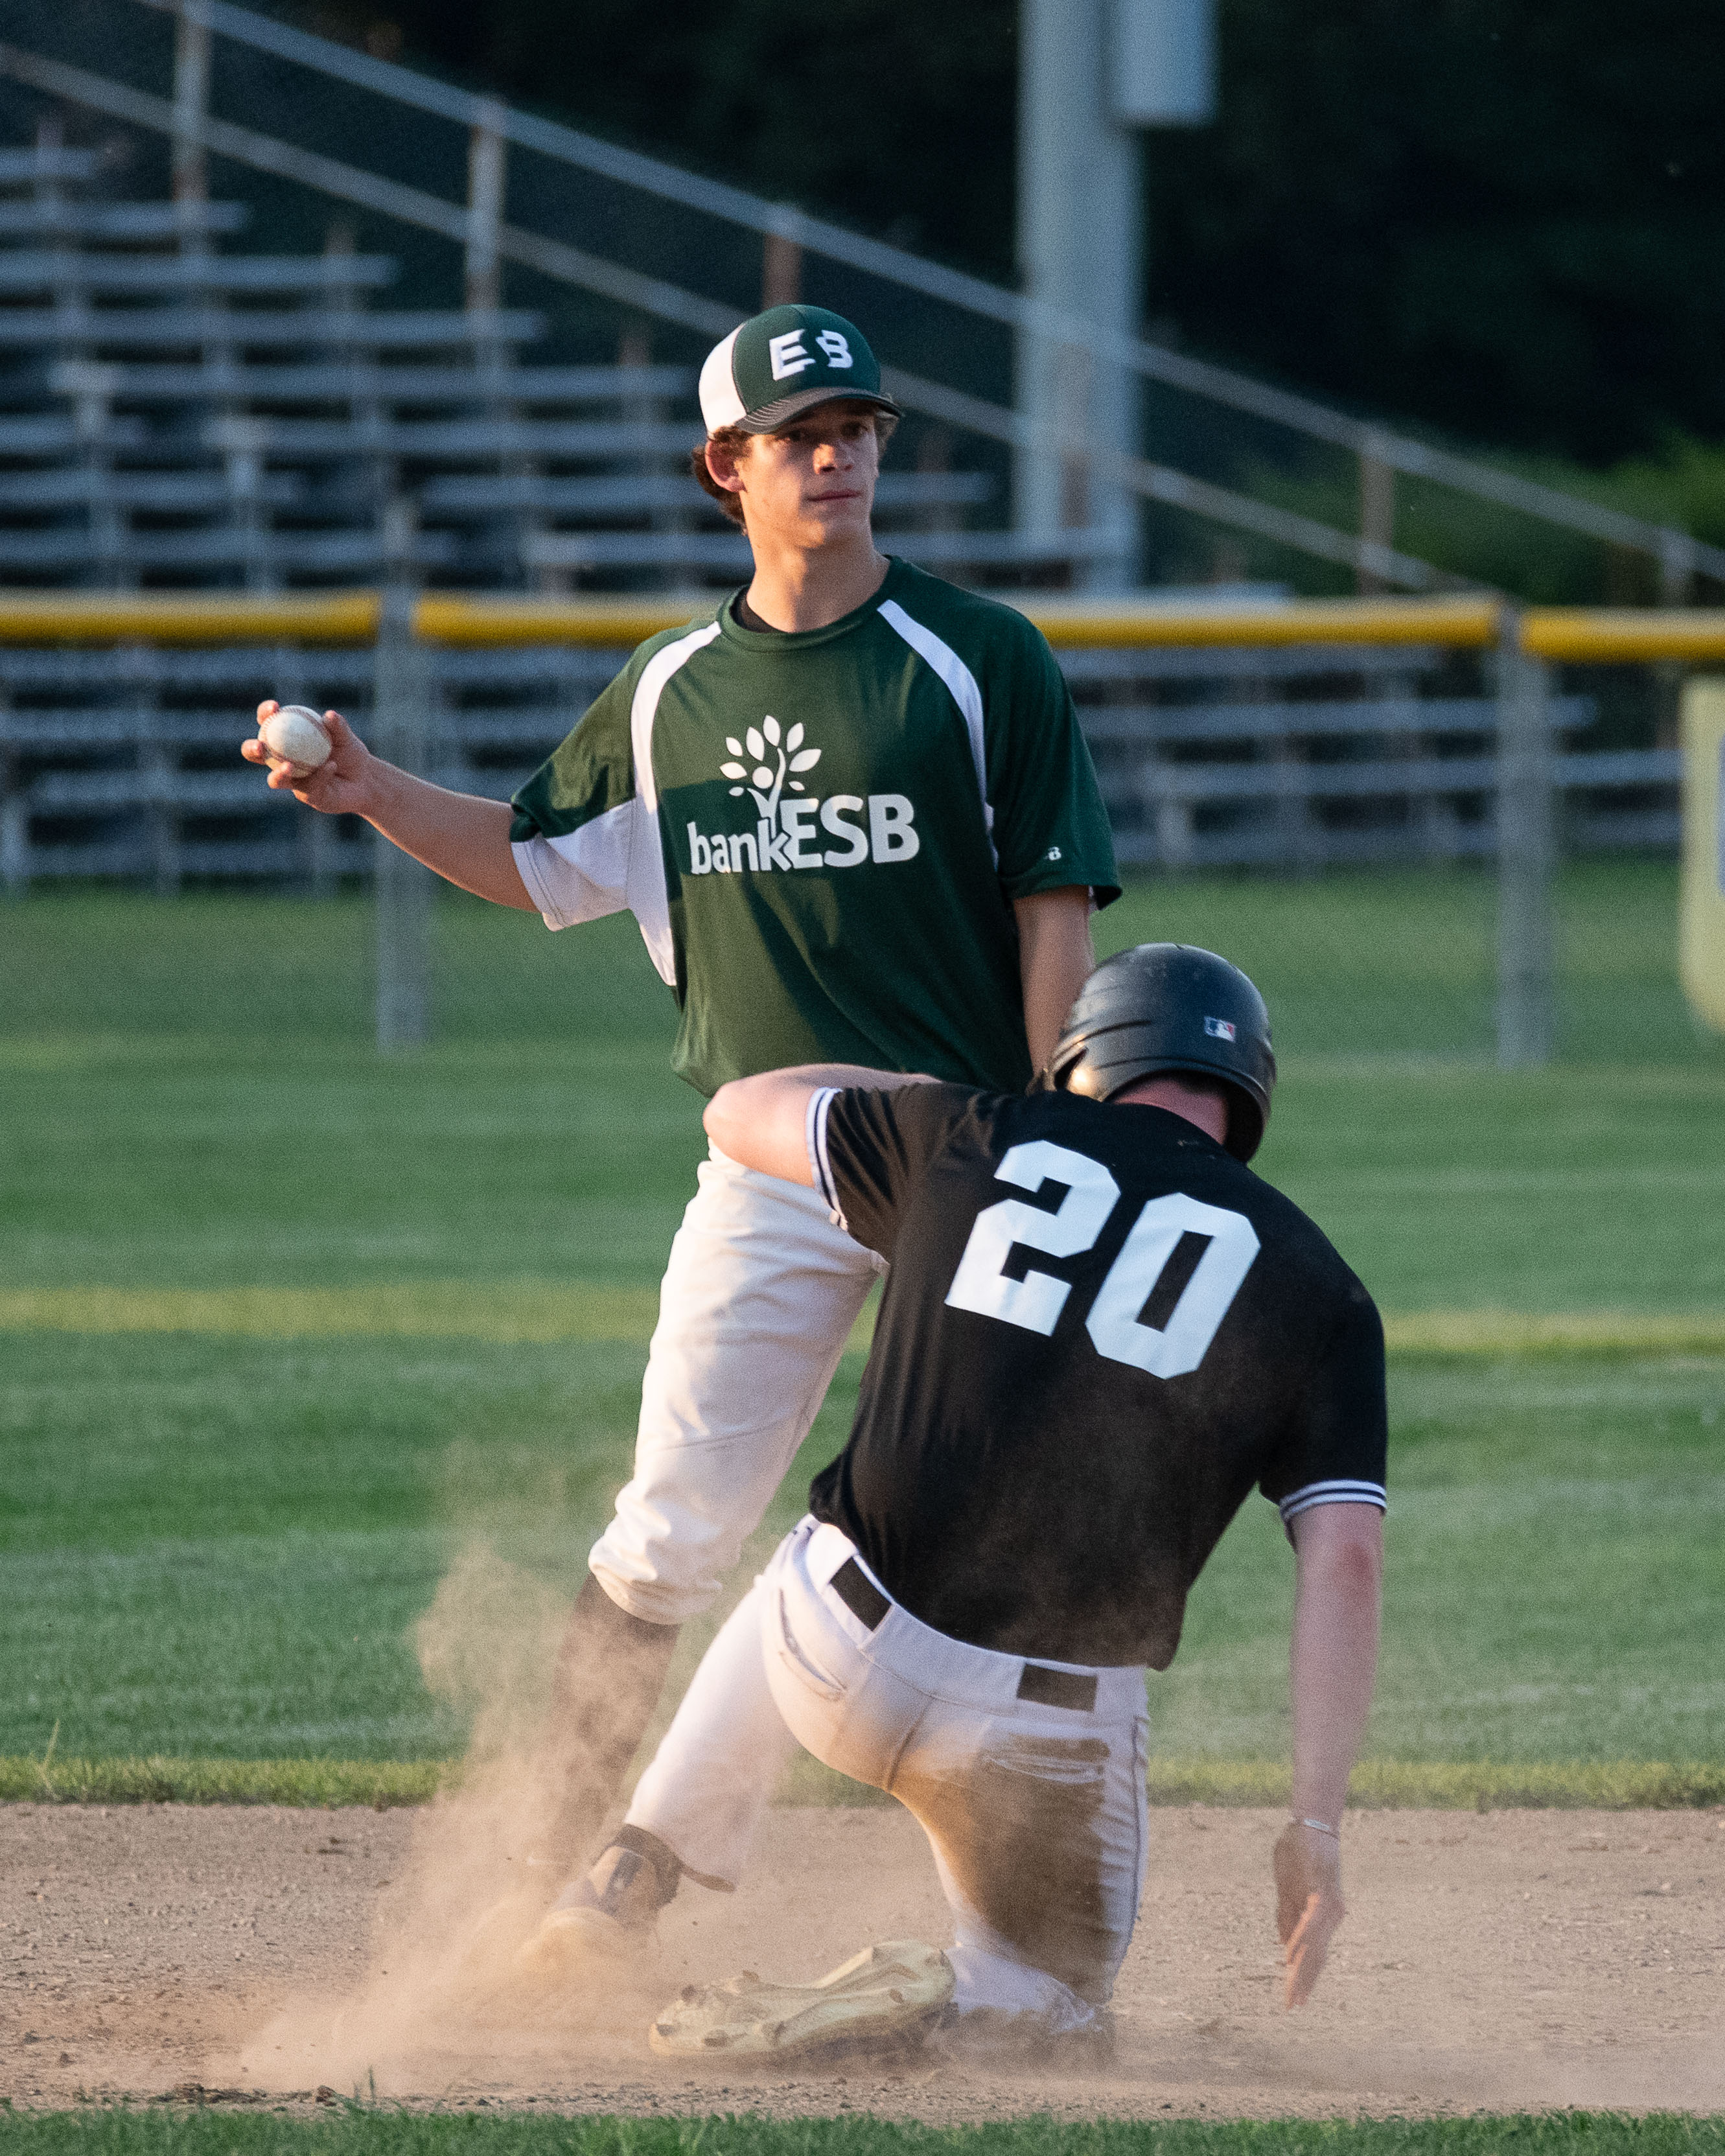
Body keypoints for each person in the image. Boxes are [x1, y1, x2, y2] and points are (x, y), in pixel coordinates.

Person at [240, 302, 1120, 1875]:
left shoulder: (979, 659)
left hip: (971, 1162)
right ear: (726, 466)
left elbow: (1053, 909)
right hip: (773, 1165)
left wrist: (1060, 1131)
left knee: (935, 1546)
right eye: (798, 436)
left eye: (855, 429)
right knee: (665, 1534)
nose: (835, 455)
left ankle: (727, 1868)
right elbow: (532, 858)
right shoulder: (669, 692)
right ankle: (540, 1867)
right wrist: (370, 788)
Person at [537, 945, 1386, 2056]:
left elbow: (740, 1110)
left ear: (1083, 1056)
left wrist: (941, 1096)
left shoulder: (967, 1135)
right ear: (1250, 1098)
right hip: (1040, 1735)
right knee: (1063, 2013)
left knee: (814, 1544)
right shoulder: (1320, 1290)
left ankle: (629, 1868)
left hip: (830, 1649)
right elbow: (1344, 1564)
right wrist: (1312, 1825)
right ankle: (960, 1997)